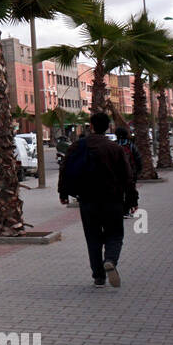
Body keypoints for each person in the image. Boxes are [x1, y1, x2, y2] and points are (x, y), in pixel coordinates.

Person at [60, 112, 138, 288]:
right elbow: (127, 177)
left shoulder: (77, 146)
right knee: (115, 235)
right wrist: (132, 199)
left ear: (91, 126)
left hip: (87, 200)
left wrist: (63, 193)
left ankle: (98, 276)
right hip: (113, 200)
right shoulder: (115, 148)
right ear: (107, 127)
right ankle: (110, 260)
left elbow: (64, 169)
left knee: (93, 238)